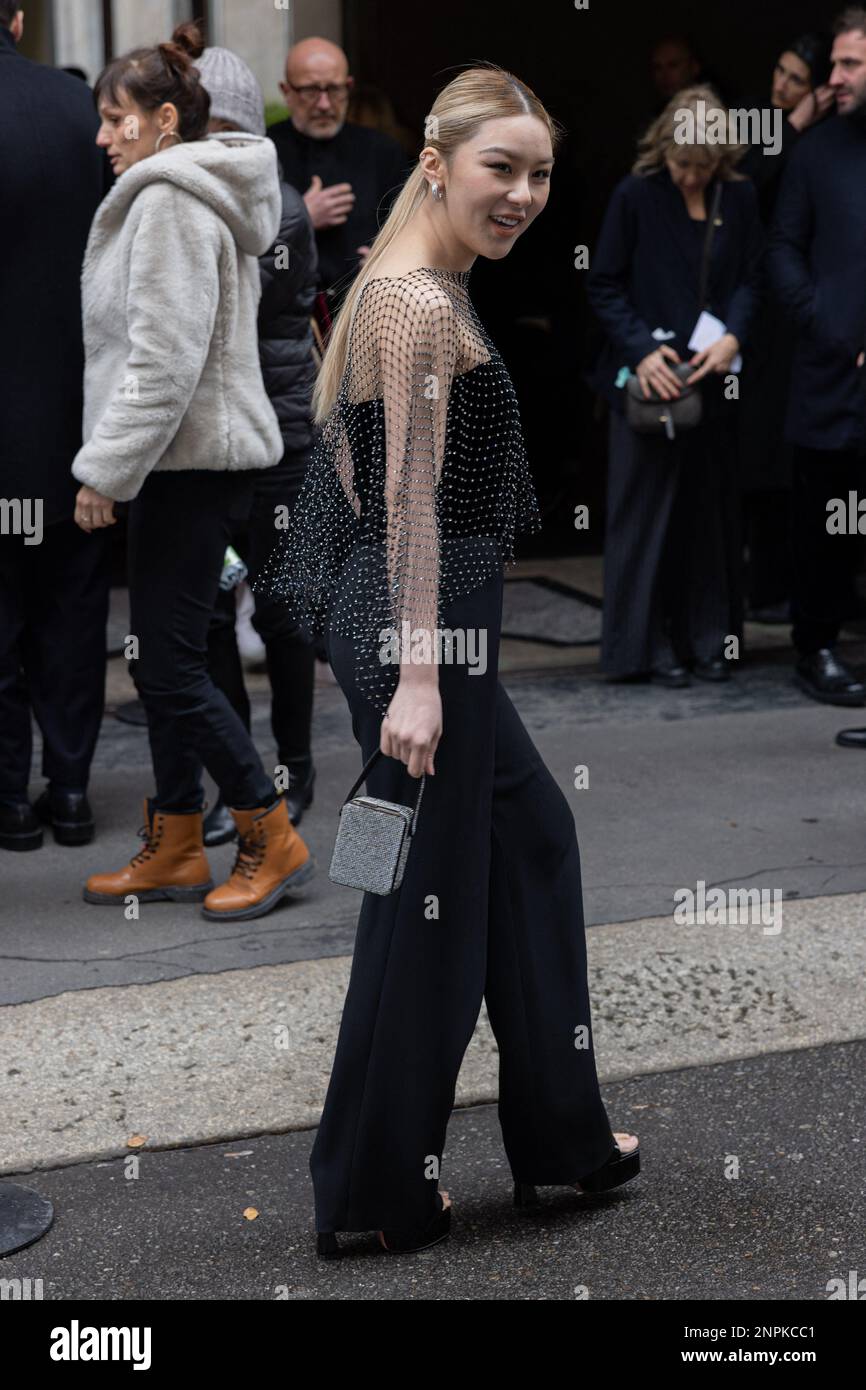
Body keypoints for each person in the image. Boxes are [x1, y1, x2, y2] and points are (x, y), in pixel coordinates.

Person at [256, 62, 640, 1259]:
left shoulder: (408, 279)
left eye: (536, 173)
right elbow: (409, 501)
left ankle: (561, 1143)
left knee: (527, 843)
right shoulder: (418, 299)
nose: (522, 192)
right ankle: (376, 1189)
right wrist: (414, 676)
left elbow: (361, 485)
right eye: (500, 167)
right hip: (427, 629)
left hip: (412, 622)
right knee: (421, 906)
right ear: (436, 158)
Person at [71, 21, 314, 921]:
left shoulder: (171, 201)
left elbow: (165, 363)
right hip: (183, 465)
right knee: (164, 662)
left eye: (114, 119)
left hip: (185, 466)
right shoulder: (182, 190)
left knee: (171, 669)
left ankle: (268, 831)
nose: (102, 136)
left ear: (163, 120)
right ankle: (177, 841)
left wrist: (104, 472)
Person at [586, 86, 763, 686]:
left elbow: (752, 279)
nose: (690, 177)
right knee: (645, 514)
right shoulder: (635, 195)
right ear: (663, 151)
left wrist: (735, 336)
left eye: (703, 167)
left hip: (712, 379)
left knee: (709, 519)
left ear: (722, 161)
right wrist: (639, 351)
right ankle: (650, 646)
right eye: (682, 164)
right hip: (648, 379)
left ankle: (712, 640)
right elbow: (603, 283)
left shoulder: (738, 197)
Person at [190, 44, 320, 843]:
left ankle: (292, 770)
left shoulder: (283, 208)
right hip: (211, 442)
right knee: (208, 615)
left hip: (274, 438)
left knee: (282, 614)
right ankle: (237, 779)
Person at [0, 1, 110, 852]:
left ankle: (6, 800)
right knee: (71, 609)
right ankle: (69, 793)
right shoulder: (84, 111)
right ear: (22, 18)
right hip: (76, 416)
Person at [768, 6, 866, 708]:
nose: (834, 78)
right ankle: (819, 648)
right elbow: (780, 249)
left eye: (850, 64)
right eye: (834, 63)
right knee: (826, 515)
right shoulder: (816, 149)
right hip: (831, 373)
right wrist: (826, 322)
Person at [738, 34, 833, 625]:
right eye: (779, 70)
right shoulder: (763, 128)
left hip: (805, 311)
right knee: (761, 444)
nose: (780, 85)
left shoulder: (828, 143)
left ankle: (810, 589)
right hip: (762, 314)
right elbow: (746, 188)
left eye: (796, 79)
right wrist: (790, 123)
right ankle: (766, 582)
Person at [268, 36, 410, 312]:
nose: (324, 104)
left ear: (349, 87)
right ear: (286, 91)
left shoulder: (383, 152)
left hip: (370, 315)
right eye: (310, 91)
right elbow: (246, 250)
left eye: (334, 90)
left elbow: (414, 231)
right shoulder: (265, 153)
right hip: (290, 319)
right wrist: (301, 218)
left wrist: (390, 259)